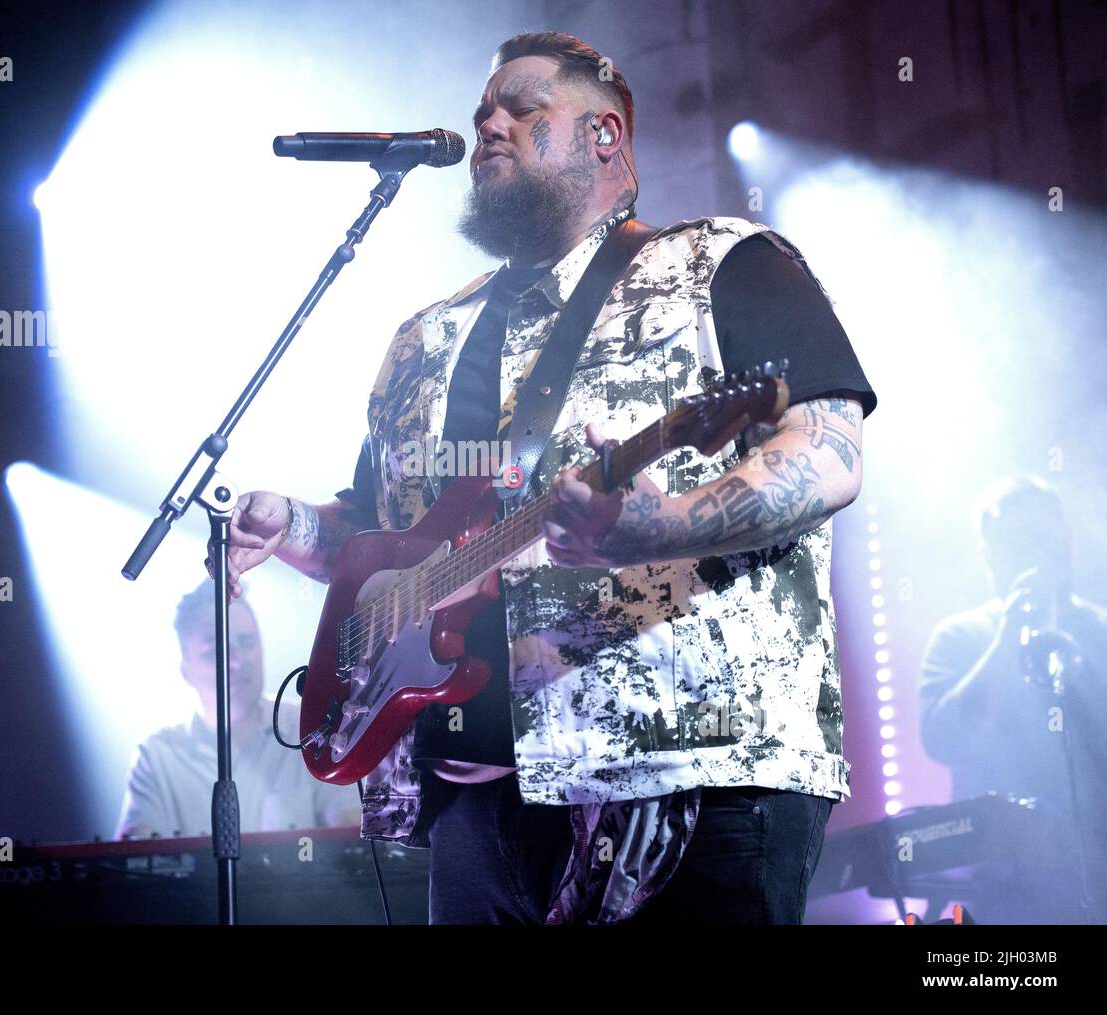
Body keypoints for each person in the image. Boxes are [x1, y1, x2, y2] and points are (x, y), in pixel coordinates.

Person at [209, 31, 876, 924]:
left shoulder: (722, 262)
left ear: (606, 135)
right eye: (483, 110)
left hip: (693, 770)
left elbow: (829, 452)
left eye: (523, 110)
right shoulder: (423, 338)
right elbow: (381, 538)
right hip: (473, 809)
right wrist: (287, 524)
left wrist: (664, 525)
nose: (488, 122)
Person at [918, 476, 1107, 921]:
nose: (1030, 553)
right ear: (988, 555)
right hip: (1005, 878)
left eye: (1038, 537)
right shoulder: (960, 637)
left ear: (1067, 543)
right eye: (1013, 542)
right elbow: (941, 739)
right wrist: (1008, 641)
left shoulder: (1102, 632)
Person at [115, 580, 360, 838]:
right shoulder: (157, 755)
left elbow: (353, 844)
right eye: (216, 650)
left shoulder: (312, 727)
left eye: (246, 643)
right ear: (186, 671)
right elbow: (132, 862)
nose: (235, 661)